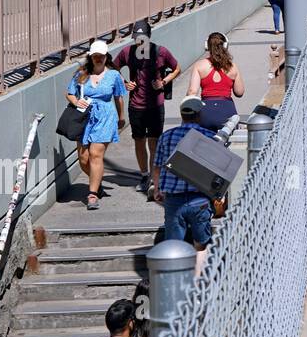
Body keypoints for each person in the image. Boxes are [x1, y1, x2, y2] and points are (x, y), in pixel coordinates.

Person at [113, 20, 182, 199]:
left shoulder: (161, 52)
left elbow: (177, 68)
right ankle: (144, 175)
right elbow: (113, 68)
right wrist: (124, 83)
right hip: (136, 105)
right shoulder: (127, 52)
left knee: (154, 143)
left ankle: (153, 177)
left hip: (155, 105)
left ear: (149, 37)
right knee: (139, 141)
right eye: (137, 38)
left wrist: (164, 82)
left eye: (142, 37)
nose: (139, 41)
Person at [152, 96, 218, 270]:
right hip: (200, 199)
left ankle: (176, 279)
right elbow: (218, 171)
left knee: (174, 246)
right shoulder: (210, 137)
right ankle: (198, 284)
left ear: (182, 114)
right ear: (199, 115)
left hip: (174, 200)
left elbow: (157, 166)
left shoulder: (166, 136)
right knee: (201, 245)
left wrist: (157, 189)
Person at [66, 40, 127, 210]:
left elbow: (118, 98)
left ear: (106, 56)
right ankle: (97, 181)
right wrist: (77, 101)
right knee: (84, 159)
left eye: (101, 56)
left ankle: (92, 194)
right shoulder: (81, 74)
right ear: (91, 57)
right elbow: (70, 93)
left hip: (106, 116)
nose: (99, 59)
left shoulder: (114, 75)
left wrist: (121, 117)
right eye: (95, 56)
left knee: (95, 154)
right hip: (85, 118)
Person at [186, 31, 245, 130]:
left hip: (206, 111)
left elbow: (192, 92)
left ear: (207, 46)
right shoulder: (232, 66)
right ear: (225, 46)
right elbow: (239, 92)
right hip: (227, 111)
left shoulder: (200, 65)